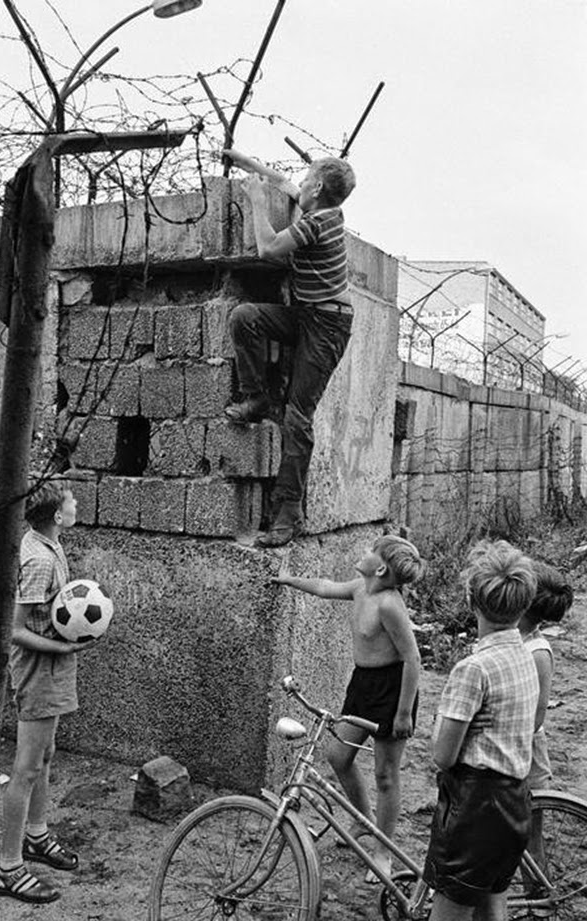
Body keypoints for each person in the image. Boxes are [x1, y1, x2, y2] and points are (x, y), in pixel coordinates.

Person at [223, 147, 356, 547]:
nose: (298, 182)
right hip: (308, 315)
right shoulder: (323, 208)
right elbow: (282, 180)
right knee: (245, 316)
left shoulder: (318, 223)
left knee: (298, 418)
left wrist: (257, 201)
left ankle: (287, 513)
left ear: (315, 187)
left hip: (328, 326)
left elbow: (267, 248)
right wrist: (244, 160)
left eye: (306, 177)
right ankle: (256, 397)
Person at [275, 535, 424, 877]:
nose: (364, 553)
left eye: (371, 550)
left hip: (393, 688)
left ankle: (384, 852)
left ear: (381, 567)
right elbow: (326, 588)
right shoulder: (361, 587)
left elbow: (412, 658)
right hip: (363, 684)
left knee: (386, 775)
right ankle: (364, 819)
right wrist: (289, 580)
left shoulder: (389, 604)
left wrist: (403, 713)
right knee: (338, 755)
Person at [423, 540, 539, 921]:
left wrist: (445, 721)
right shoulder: (527, 654)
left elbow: (443, 756)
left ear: (472, 602)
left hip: (475, 807)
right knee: (492, 905)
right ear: (524, 604)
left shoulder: (474, 669)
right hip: (515, 801)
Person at [0, 479, 95, 904]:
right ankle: (8, 867)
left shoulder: (46, 544)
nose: (76, 504)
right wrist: (64, 646)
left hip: (53, 665)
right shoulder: (37, 559)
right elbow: (14, 631)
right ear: (56, 514)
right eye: (71, 500)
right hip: (40, 667)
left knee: (46, 755)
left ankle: (36, 835)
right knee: (26, 768)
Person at [519, 560, 573, 789]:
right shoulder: (509, 636)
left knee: (531, 811)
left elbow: (536, 718)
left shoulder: (537, 652)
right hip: (506, 747)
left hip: (525, 752)